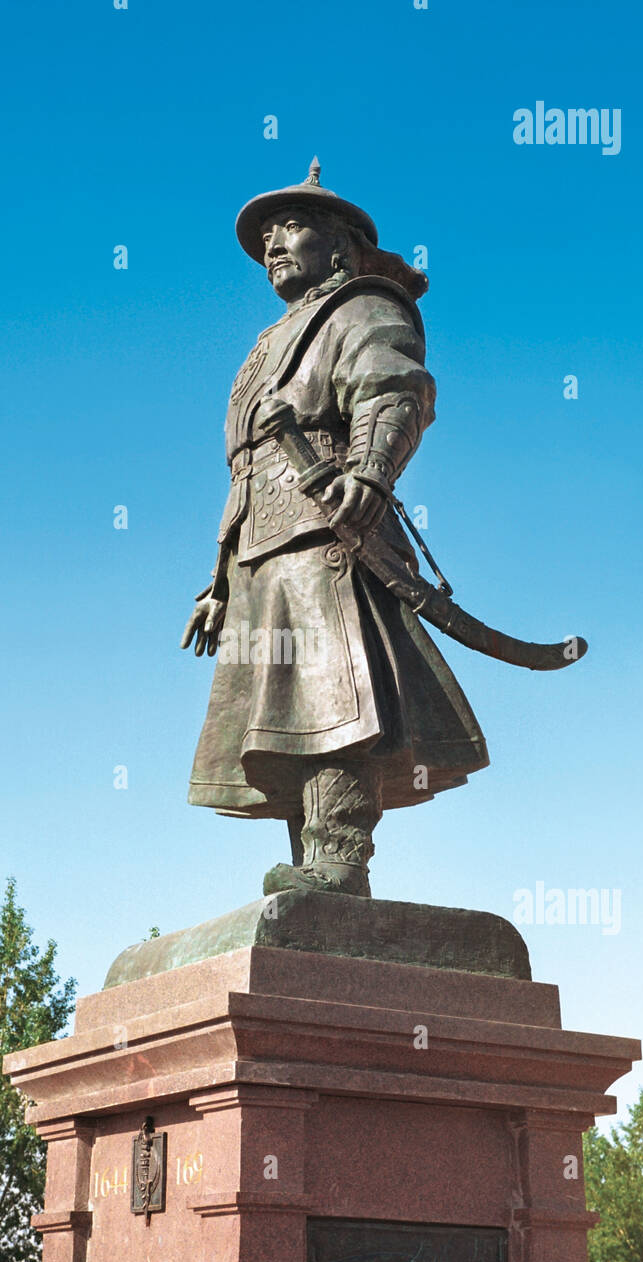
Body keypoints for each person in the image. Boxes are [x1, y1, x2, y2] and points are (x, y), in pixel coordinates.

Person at [182, 161, 488, 897]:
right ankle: (312, 866)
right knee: (282, 709)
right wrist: (217, 583)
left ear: (341, 247)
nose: (273, 246)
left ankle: (339, 857)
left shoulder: (360, 307)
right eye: (266, 238)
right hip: (261, 547)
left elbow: (394, 387)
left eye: (291, 228)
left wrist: (371, 473)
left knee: (334, 701)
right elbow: (244, 471)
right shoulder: (265, 342)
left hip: (328, 533)